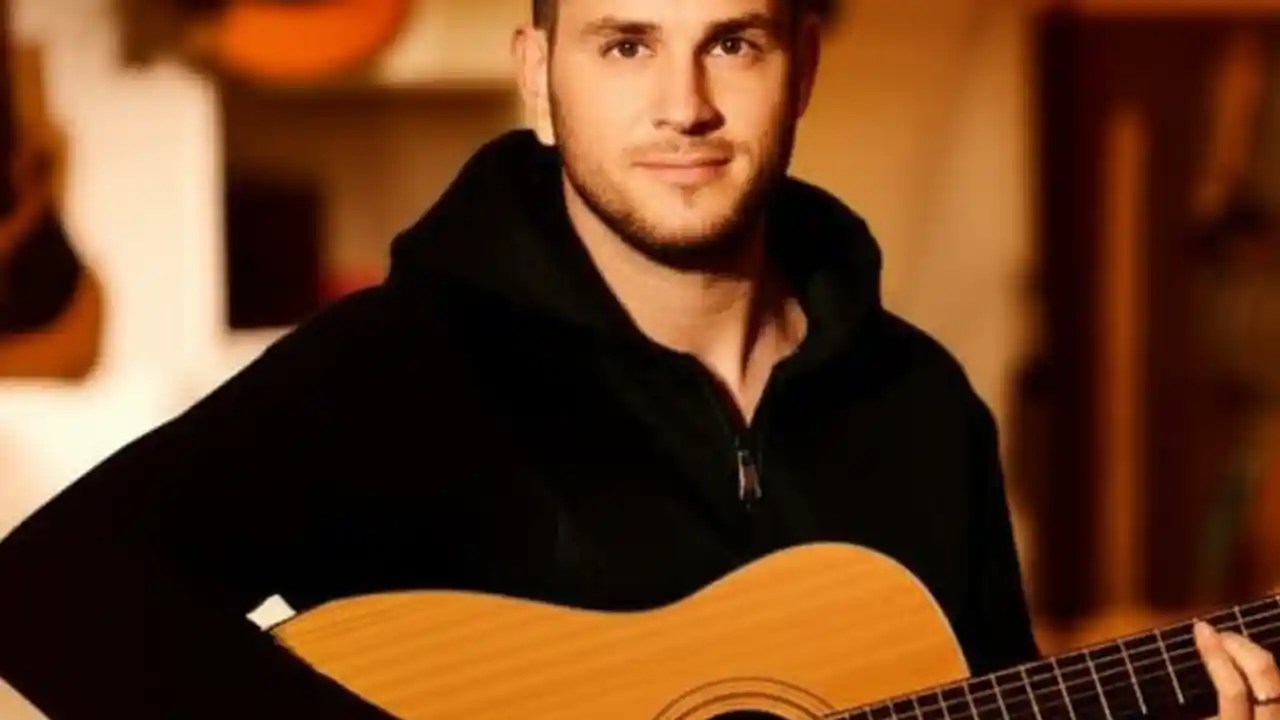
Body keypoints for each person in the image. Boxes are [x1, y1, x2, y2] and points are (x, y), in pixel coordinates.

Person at [0, 0, 1275, 717]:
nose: (684, 105)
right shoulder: (403, 370)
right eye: (625, 43)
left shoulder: (921, 407)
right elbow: (48, 591)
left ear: (804, 64)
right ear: (539, 74)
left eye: (733, 39)